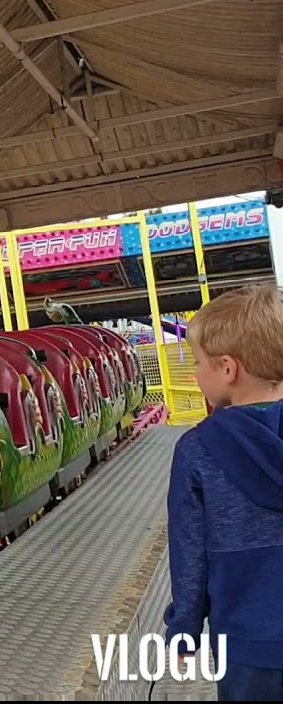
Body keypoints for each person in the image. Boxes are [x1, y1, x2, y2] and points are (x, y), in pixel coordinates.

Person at [164, 284, 283, 701]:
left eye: (198, 363)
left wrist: (184, 629)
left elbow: (189, 554)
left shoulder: (197, 450)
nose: (195, 373)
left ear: (228, 369)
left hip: (248, 647)